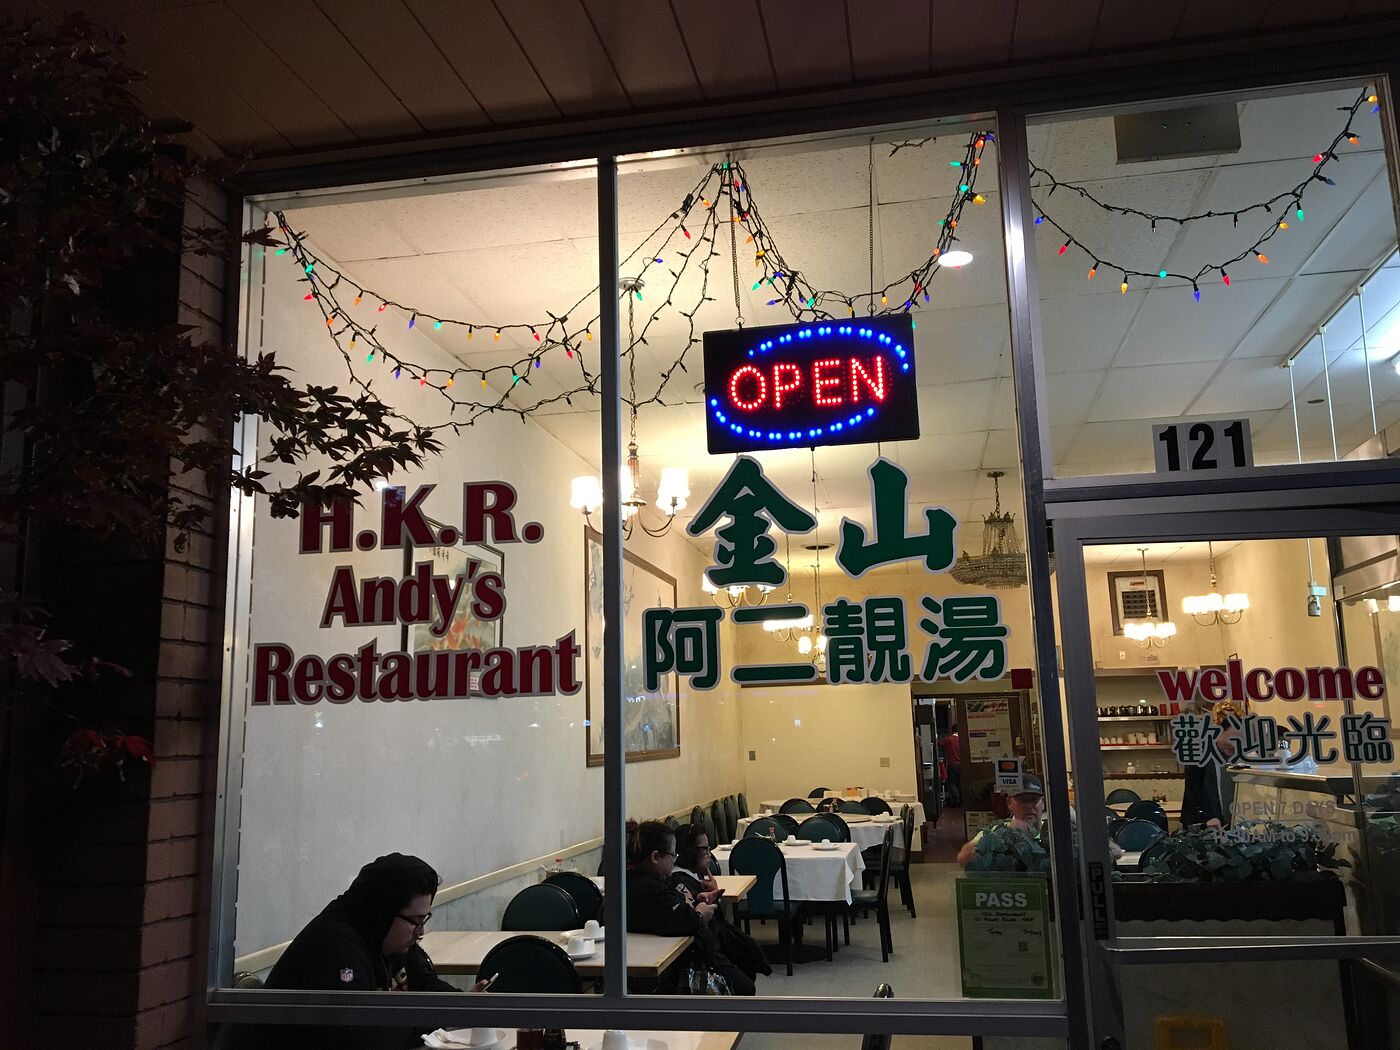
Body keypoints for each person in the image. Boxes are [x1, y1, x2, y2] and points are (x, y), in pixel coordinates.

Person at [260, 852, 477, 1049]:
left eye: (424, 919)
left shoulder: (390, 936)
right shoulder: (335, 947)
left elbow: (426, 985)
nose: (421, 932)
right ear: (382, 913)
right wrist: (442, 1020)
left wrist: (466, 1003)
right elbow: (366, 1035)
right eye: (415, 921)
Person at [624, 819, 756, 995]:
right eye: (672, 855)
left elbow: (674, 906)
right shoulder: (646, 888)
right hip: (671, 966)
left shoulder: (646, 880)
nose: (674, 861)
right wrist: (700, 915)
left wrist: (697, 898)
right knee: (745, 988)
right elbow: (680, 918)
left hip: (672, 958)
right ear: (655, 857)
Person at [671, 822, 770, 981]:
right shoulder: (681, 882)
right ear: (689, 851)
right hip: (706, 955)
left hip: (714, 946)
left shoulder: (693, 877)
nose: (709, 854)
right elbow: (717, 921)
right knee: (746, 983)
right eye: (705, 849)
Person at [957, 772, 1049, 870]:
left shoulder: (1052, 832)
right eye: (1022, 800)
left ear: (1043, 803)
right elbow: (963, 859)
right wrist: (1007, 834)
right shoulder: (996, 829)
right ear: (1009, 803)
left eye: (1034, 800)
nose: (1029, 806)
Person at [1180, 701, 1244, 829]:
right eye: (1232, 740)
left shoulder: (1240, 757)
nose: (1235, 745)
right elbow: (1194, 788)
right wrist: (1209, 817)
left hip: (1229, 823)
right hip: (1202, 822)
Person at [940, 720, 963, 807]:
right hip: (961, 765)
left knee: (952, 783)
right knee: (959, 783)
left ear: (952, 730)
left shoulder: (948, 740)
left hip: (952, 765)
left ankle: (956, 800)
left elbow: (938, 743)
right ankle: (960, 799)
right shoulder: (961, 740)